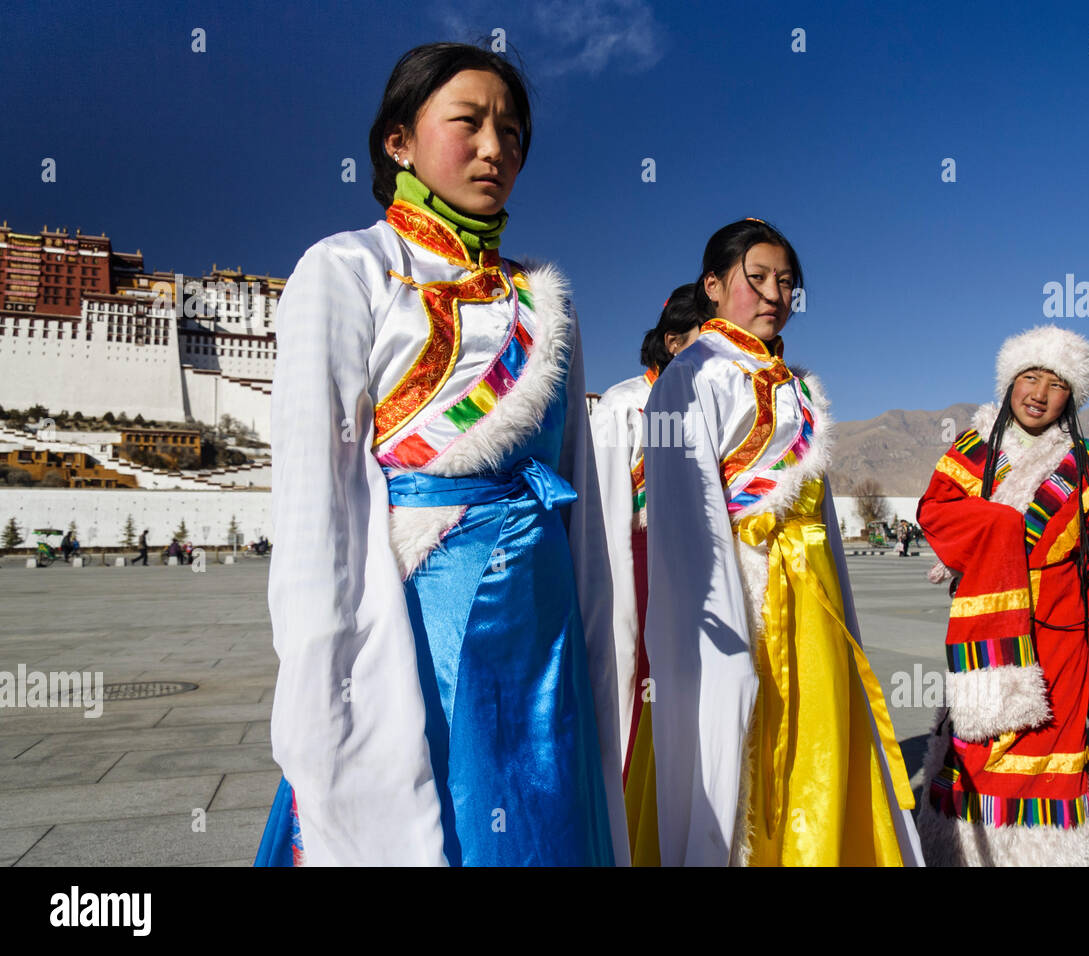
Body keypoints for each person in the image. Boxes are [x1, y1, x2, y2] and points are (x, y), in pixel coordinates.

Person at [255, 43, 626, 867]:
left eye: (514, 133)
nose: (497, 148)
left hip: (546, 619)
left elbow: (578, 488)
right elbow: (317, 495)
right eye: (470, 122)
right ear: (398, 142)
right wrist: (324, 678)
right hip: (420, 617)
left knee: (546, 818)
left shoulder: (546, 300)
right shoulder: (348, 268)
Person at [643, 219, 921, 866]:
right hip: (740, 589)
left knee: (814, 742)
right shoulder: (691, 377)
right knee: (739, 738)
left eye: (787, 282)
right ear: (713, 285)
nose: (775, 293)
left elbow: (816, 511)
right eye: (758, 277)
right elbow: (687, 523)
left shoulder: (799, 387)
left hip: (809, 595)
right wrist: (714, 627)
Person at [917, 325, 1089, 866]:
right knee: (973, 759)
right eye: (1029, 376)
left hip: (1059, 649)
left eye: (1056, 383)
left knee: (1050, 769)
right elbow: (934, 511)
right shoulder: (973, 449)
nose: (1039, 393)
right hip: (988, 648)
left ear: (1073, 396)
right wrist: (999, 526)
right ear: (1008, 382)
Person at [590, 284, 701, 865]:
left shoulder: (711, 409)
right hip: (637, 563)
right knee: (637, 689)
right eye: (697, 344)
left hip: (696, 568)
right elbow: (605, 505)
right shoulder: (622, 404)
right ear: (670, 342)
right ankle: (631, 823)